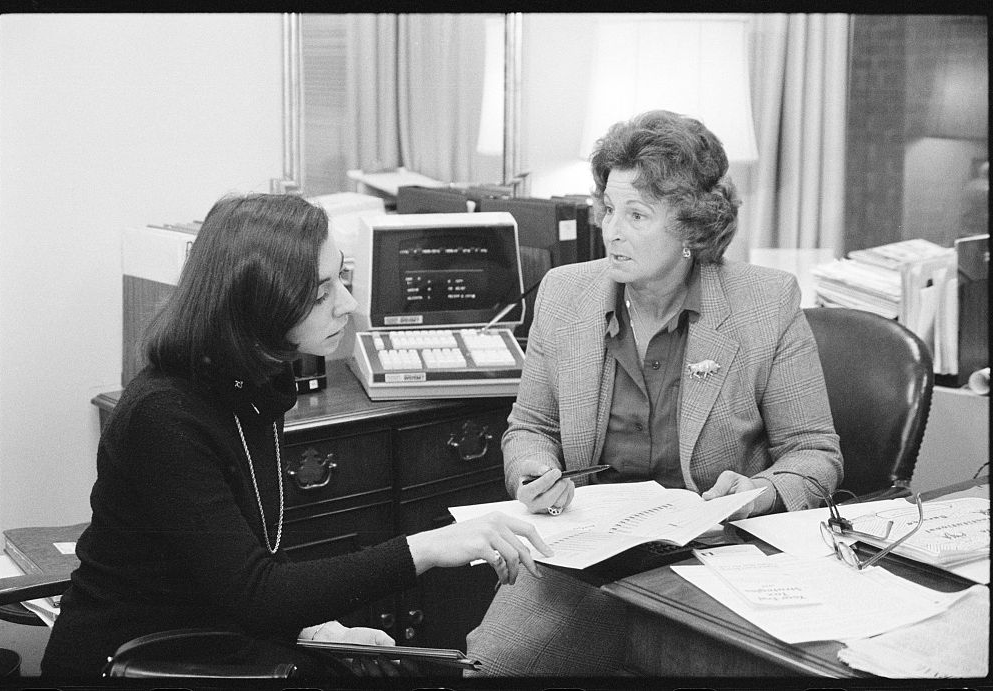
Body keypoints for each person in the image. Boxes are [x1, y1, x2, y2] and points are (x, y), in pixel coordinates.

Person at [41, 193, 552, 678]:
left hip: (212, 635)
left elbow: (244, 562)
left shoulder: (254, 387)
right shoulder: (164, 417)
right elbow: (253, 591)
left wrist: (317, 629)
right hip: (136, 655)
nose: (347, 303)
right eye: (320, 292)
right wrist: (431, 546)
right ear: (260, 304)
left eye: (340, 278)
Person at [466, 110, 843, 676]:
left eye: (636, 215)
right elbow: (531, 428)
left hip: (713, 557)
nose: (611, 230)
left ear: (692, 227)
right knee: (492, 666)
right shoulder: (565, 295)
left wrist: (759, 493)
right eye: (608, 209)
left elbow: (815, 453)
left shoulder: (766, 304)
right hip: (583, 558)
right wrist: (532, 474)